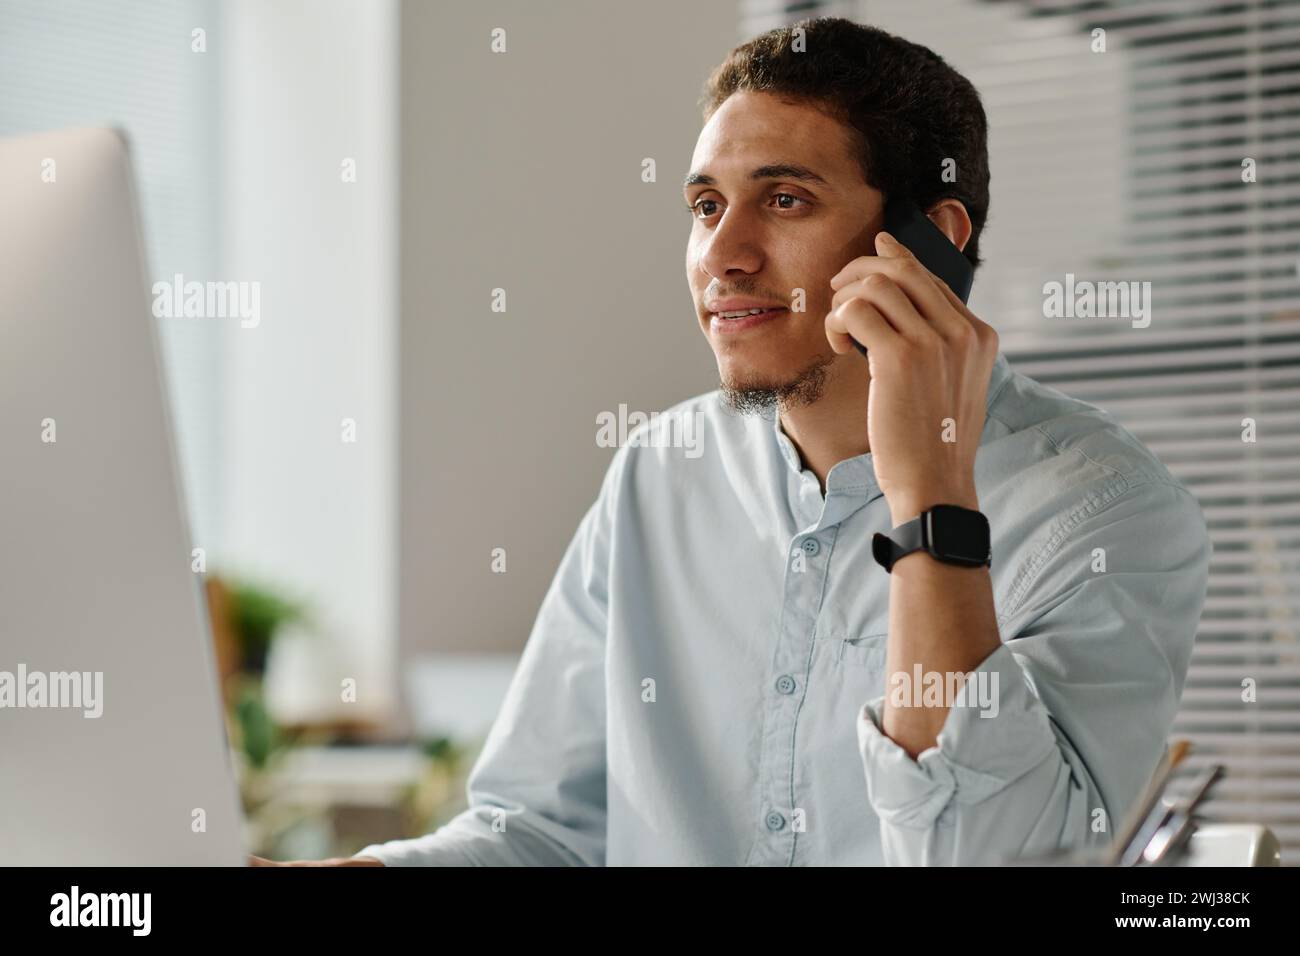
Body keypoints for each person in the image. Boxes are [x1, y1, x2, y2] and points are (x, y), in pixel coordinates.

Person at [255, 16, 1210, 867]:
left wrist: (931, 503)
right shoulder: (657, 472)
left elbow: (991, 859)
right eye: (706, 206)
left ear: (929, 245)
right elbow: (539, 834)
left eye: (784, 199)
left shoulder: (1105, 509)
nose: (722, 254)